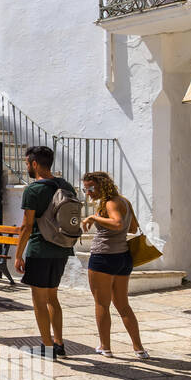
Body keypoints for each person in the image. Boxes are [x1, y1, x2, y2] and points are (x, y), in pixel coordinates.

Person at [14, 146, 76, 359]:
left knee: (39, 301)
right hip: (62, 249)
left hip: (40, 250)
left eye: (26, 164)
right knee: (53, 298)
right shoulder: (66, 186)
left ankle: (47, 347)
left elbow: (27, 225)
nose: (26, 167)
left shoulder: (33, 190)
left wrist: (18, 254)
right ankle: (59, 343)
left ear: (34, 164)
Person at [80, 171, 151, 359]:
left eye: (91, 188)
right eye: (85, 189)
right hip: (122, 258)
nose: (88, 192)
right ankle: (139, 348)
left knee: (101, 303)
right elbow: (133, 227)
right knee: (123, 305)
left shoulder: (110, 203)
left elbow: (118, 223)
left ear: (102, 185)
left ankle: (105, 347)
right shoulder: (124, 201)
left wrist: (94, 218)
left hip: (104, 257)